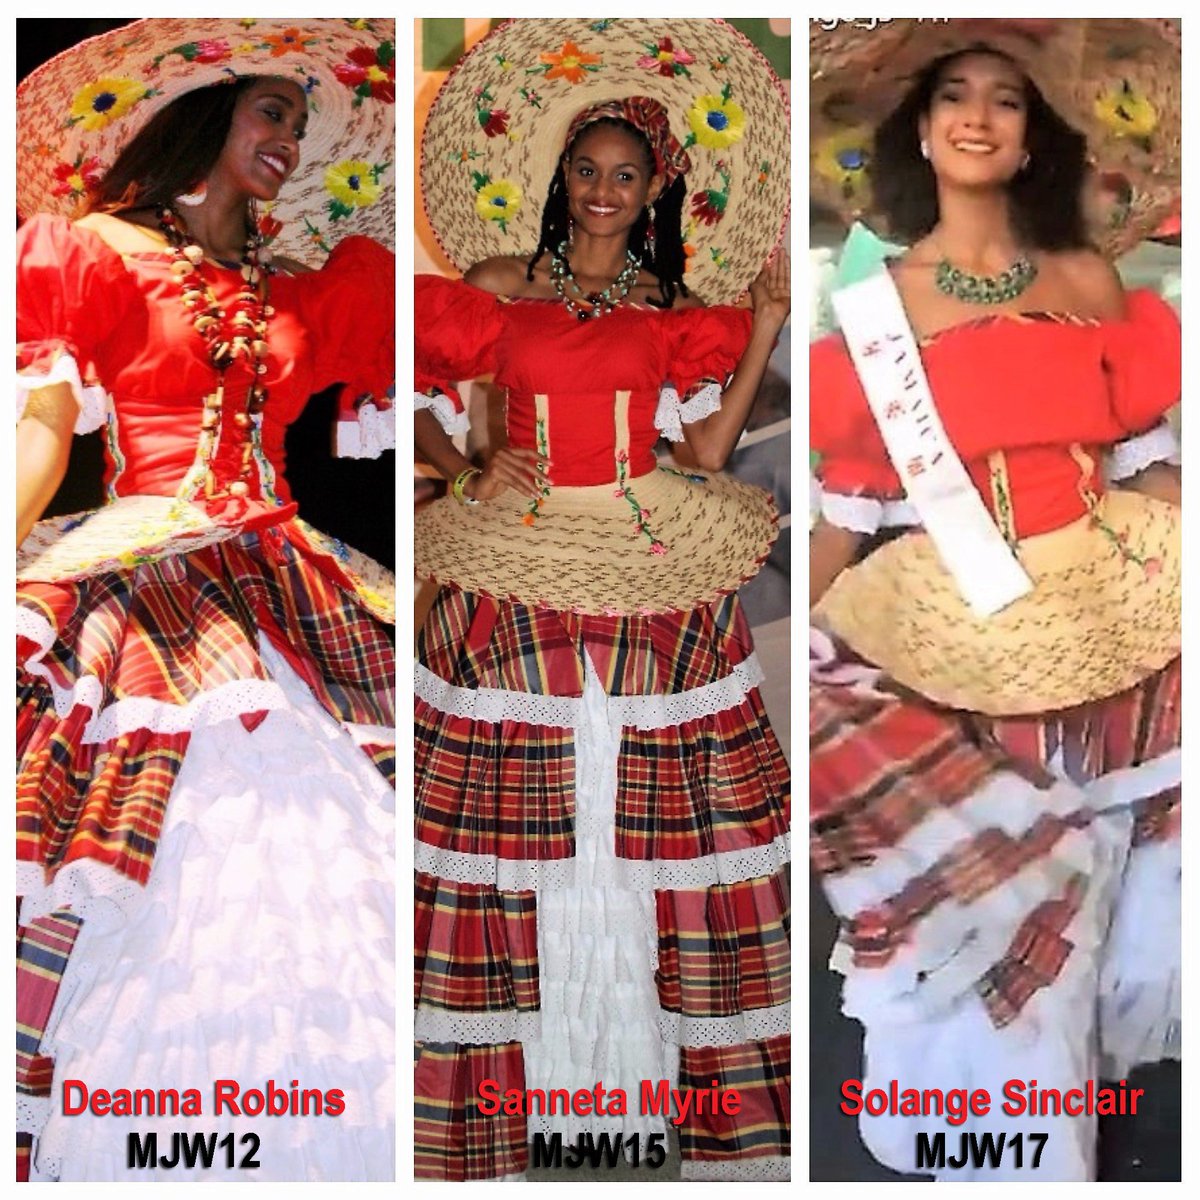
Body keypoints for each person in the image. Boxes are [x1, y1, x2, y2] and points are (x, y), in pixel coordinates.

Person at [16, 19, 396, 1181]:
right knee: (183, 835)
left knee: (348, 842)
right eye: (270, 110)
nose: (290, 135)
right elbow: (39, 431)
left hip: (291, 575)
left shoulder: (309, 288)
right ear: (203, 109)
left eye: (300, 117)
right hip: (150, 571)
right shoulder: (95, 252)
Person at [413, 19, 791, 1182]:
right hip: (516, 556)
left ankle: (628, 1094)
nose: (604, 190)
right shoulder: (491, 286)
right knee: (507, 831)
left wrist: (768, 323)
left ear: (653, 188)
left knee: (651, 828)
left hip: (647, 548)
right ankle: (530, 1105)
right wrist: (472, 465)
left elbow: (711, 453)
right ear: (559, 177)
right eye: (587, 168)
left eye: (627, 174)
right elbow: (428, 405)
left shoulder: (675, 306)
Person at [808, 19, 1180, 1181]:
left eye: (1007, 99)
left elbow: (1149, 464)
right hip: (952, 627)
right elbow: (846, 515)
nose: (979, 114)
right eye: (955, 94)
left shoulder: (1088, 280)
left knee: (1123, 890)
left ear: (1034, 139)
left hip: (1107, 602)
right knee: (1006, 925)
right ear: (919, 129)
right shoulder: (876, 308)